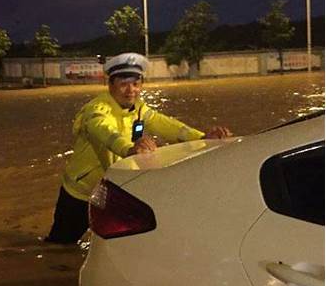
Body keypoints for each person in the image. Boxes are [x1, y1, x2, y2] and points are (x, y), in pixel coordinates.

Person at [45, 52, 232, 244]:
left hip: (113, 192)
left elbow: (166, 125)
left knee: (116, 246)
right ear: (110, 85)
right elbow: (105, 132)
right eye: (123, 84)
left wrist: (202, 138)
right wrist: (129, 150)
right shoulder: (97, 109)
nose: (131, 90)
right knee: (60, 246)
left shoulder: (139, 109)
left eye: (136, 84)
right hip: (81, 195)